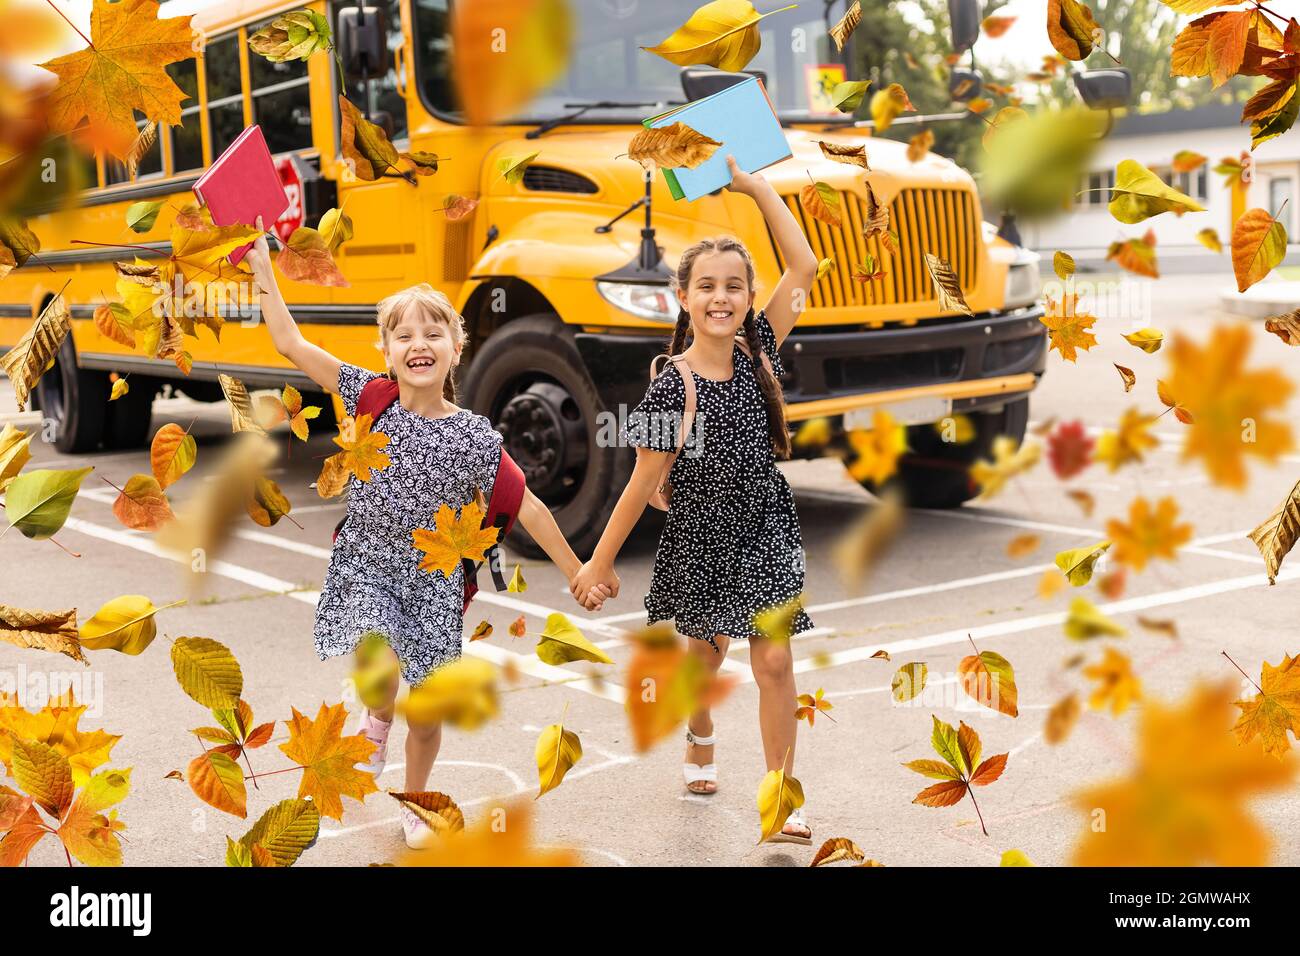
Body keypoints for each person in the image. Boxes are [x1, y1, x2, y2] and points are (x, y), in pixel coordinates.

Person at [245, 219, 608, 848]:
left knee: (430, 707)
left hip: (434, 581)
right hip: (365, 562)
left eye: (432, 331)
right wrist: (261, 269)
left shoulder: (473, 436)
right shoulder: (369, 395)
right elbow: (290, 342)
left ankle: (417, 799)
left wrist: (578, 569)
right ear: (386, 351)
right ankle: (376, 722)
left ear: (454, 349)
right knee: (379, 668)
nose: (418, 342)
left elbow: (532, 509)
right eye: (403, 333)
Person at [569, 156, 820, 844]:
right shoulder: (667, 388)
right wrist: (598, 563)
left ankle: (781, 798)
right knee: (705, 659)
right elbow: (640, 485)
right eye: (706, 285)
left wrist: (757, 186)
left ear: (746, 296)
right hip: (702, 537)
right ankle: (699, 733)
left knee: (772, 659)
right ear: (683, 297)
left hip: (766, 524)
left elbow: (804, 267)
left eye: (733, 286)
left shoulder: (760, 349)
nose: (721, 296)